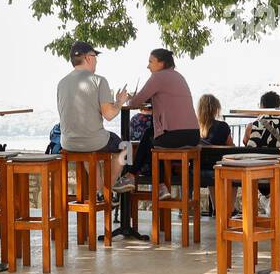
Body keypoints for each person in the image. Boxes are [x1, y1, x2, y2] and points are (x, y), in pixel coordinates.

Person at [114, 49, 198, 194]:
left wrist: (127, 98)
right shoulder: (178, 76)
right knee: (151, 136)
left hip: (175, 136)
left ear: (161, 63)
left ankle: (131, 176)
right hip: (194, 135)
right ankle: (160, 186)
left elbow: (136, 101)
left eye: (150, 62)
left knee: (153, 140)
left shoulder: (158, 77)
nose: (148, 66)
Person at [56, 41, 128, 156]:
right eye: (95, 57)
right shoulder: (99, 80)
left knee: (90, 155)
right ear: (88, 58)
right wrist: (120, 101)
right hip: (94, 143)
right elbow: (109, 115)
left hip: (67, 143)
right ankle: (114, 175)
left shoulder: (61, 83)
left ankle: (97, 175)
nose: (96, 61)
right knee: (126, 148)